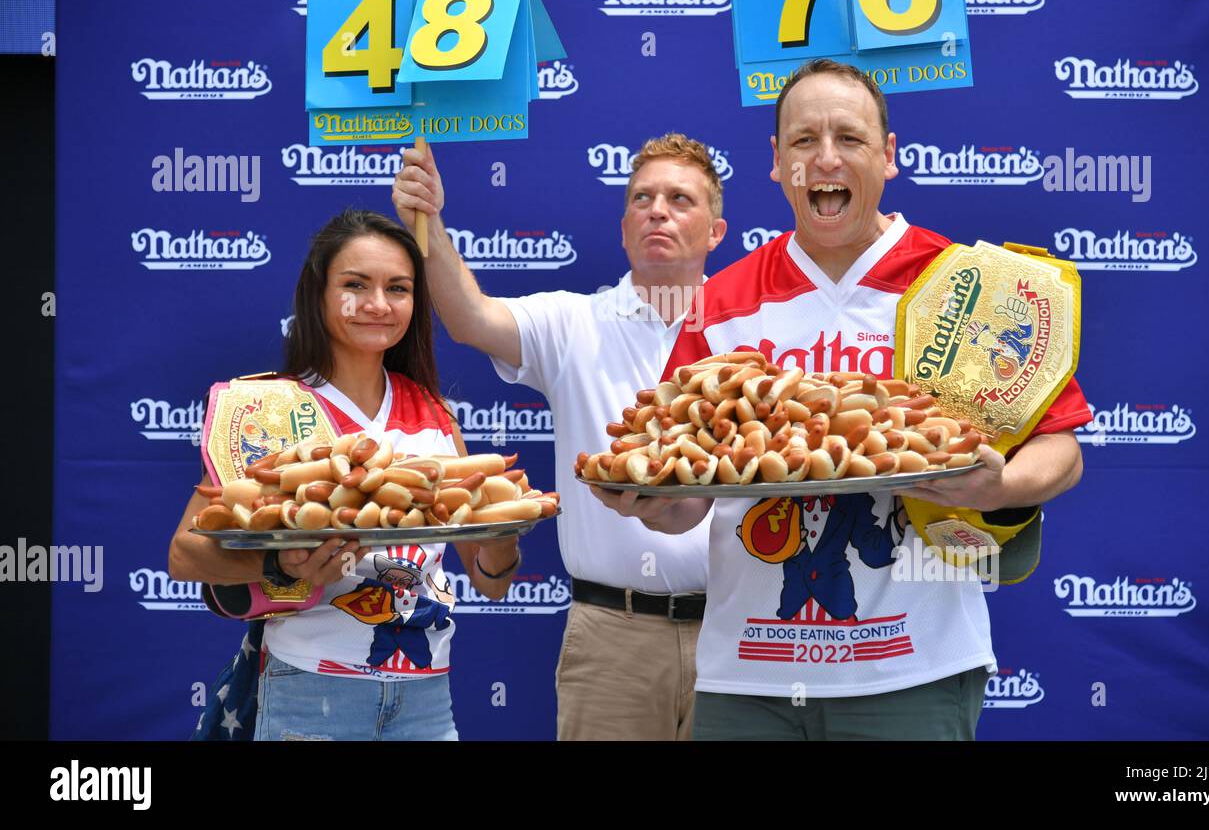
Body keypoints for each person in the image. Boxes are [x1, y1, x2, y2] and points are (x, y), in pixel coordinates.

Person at [594, 58, 1093, 741]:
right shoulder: (720, 306)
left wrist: (999, 485)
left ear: (889, 156)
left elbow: (1061, 445)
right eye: (803, 141)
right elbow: (688, 500)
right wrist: (647, 501)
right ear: (776, 162)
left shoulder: (964, 285)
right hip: (749, 679)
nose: (825, 158)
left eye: (850, 139)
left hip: (913, 671)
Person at [391, 133, 727, 739]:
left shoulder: (751, 333)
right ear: (623, 228)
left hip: (739, 632)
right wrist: (430, 224)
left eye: (681, 199)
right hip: (611, 638)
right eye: (642, 198)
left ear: (715, 232)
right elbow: (470, 317)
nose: (658, 210)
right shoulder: (574, 321)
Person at [169, 209, 521, 741]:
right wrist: (280, 563)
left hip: (426, 696)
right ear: (318, 295)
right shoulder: (266, 407)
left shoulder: (435, 413)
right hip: (310, 688)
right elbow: (183, 554)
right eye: (355, 285)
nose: (378, 304)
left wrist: (504, 533)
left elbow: (490, 583)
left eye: (398, 288)